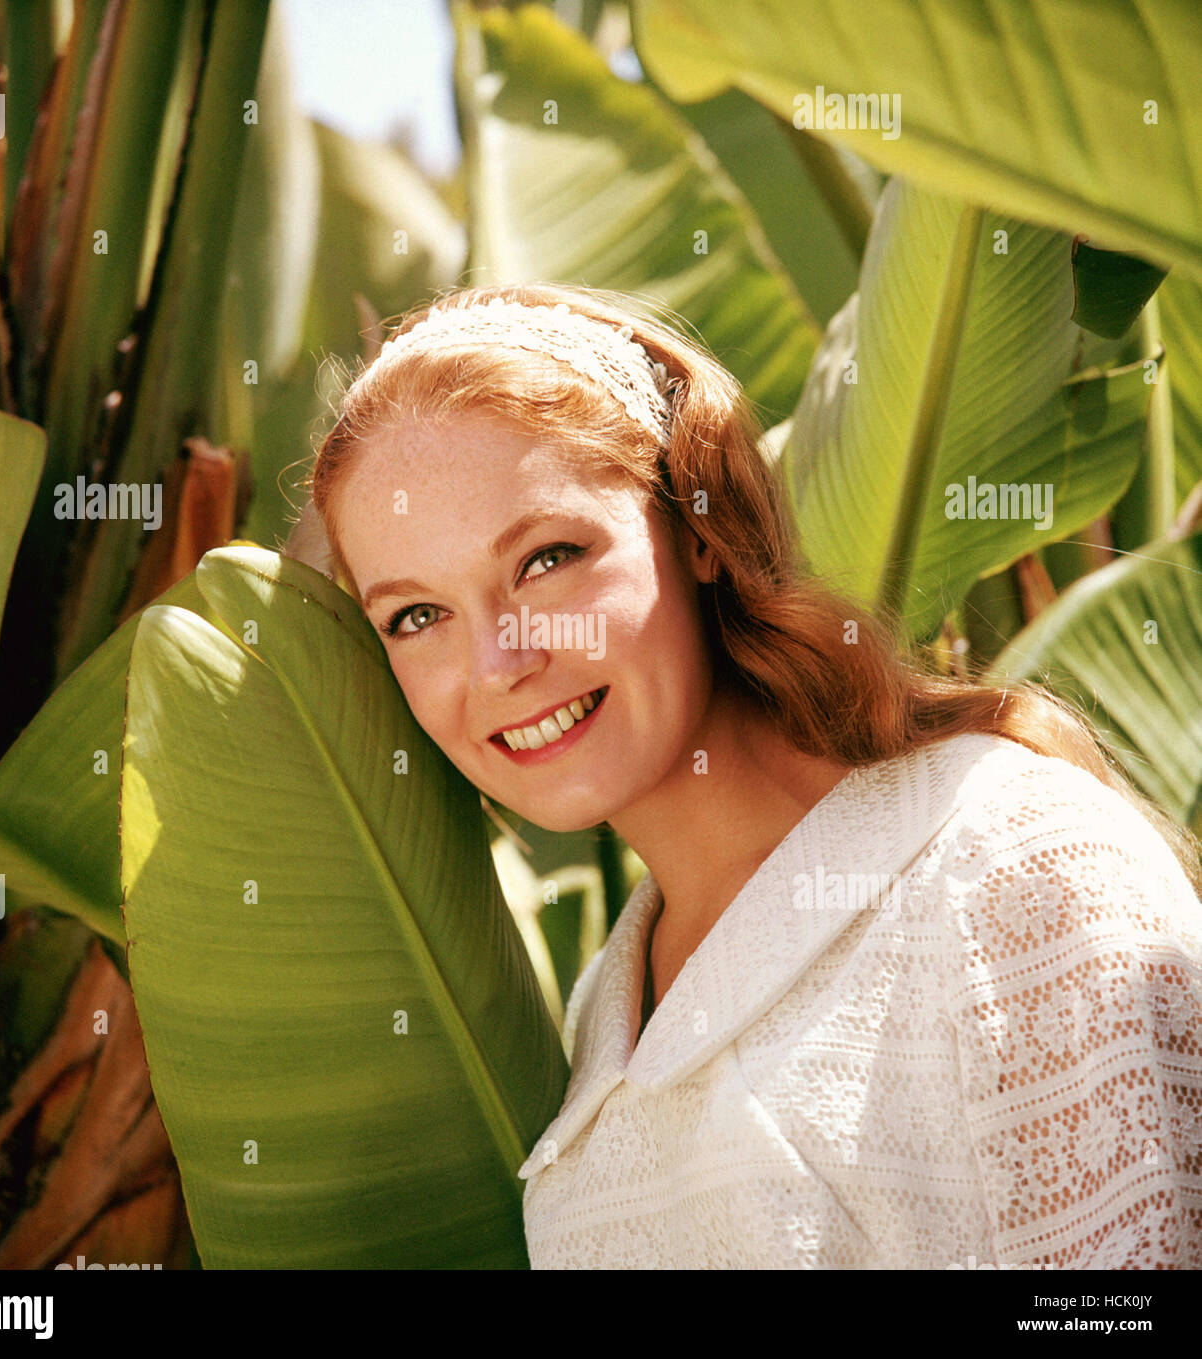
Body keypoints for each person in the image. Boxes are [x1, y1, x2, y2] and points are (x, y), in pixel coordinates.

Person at [308, 280, 1202, 1269]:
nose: (500, 663)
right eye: (416, 617)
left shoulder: (1007, 863)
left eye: (547, 558)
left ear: (695, 529)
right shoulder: (601, 1018)